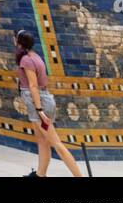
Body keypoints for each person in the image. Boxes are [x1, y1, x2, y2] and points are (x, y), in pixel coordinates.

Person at [14, 28, 82, 177]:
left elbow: (33, 86)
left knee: (56, 143)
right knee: (42, 140)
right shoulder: (35, 56)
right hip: (45, 99)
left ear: (18, 43)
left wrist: (39, 110)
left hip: (38, 103)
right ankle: (40, 174)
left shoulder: (26, 60)